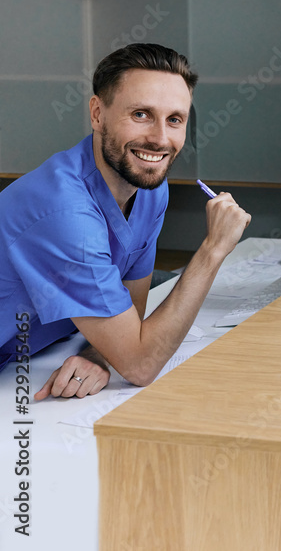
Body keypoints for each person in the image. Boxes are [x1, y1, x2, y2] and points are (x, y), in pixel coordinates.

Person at [0, 43, 250, 400]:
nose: (160, 139)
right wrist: (213, 249)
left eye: (175, 119)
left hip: (27, 359)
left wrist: (97, 351)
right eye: (141, 114)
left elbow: (131, 313)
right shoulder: (64, 213)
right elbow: (139, 365)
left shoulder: (147, 187)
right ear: (97, 113)